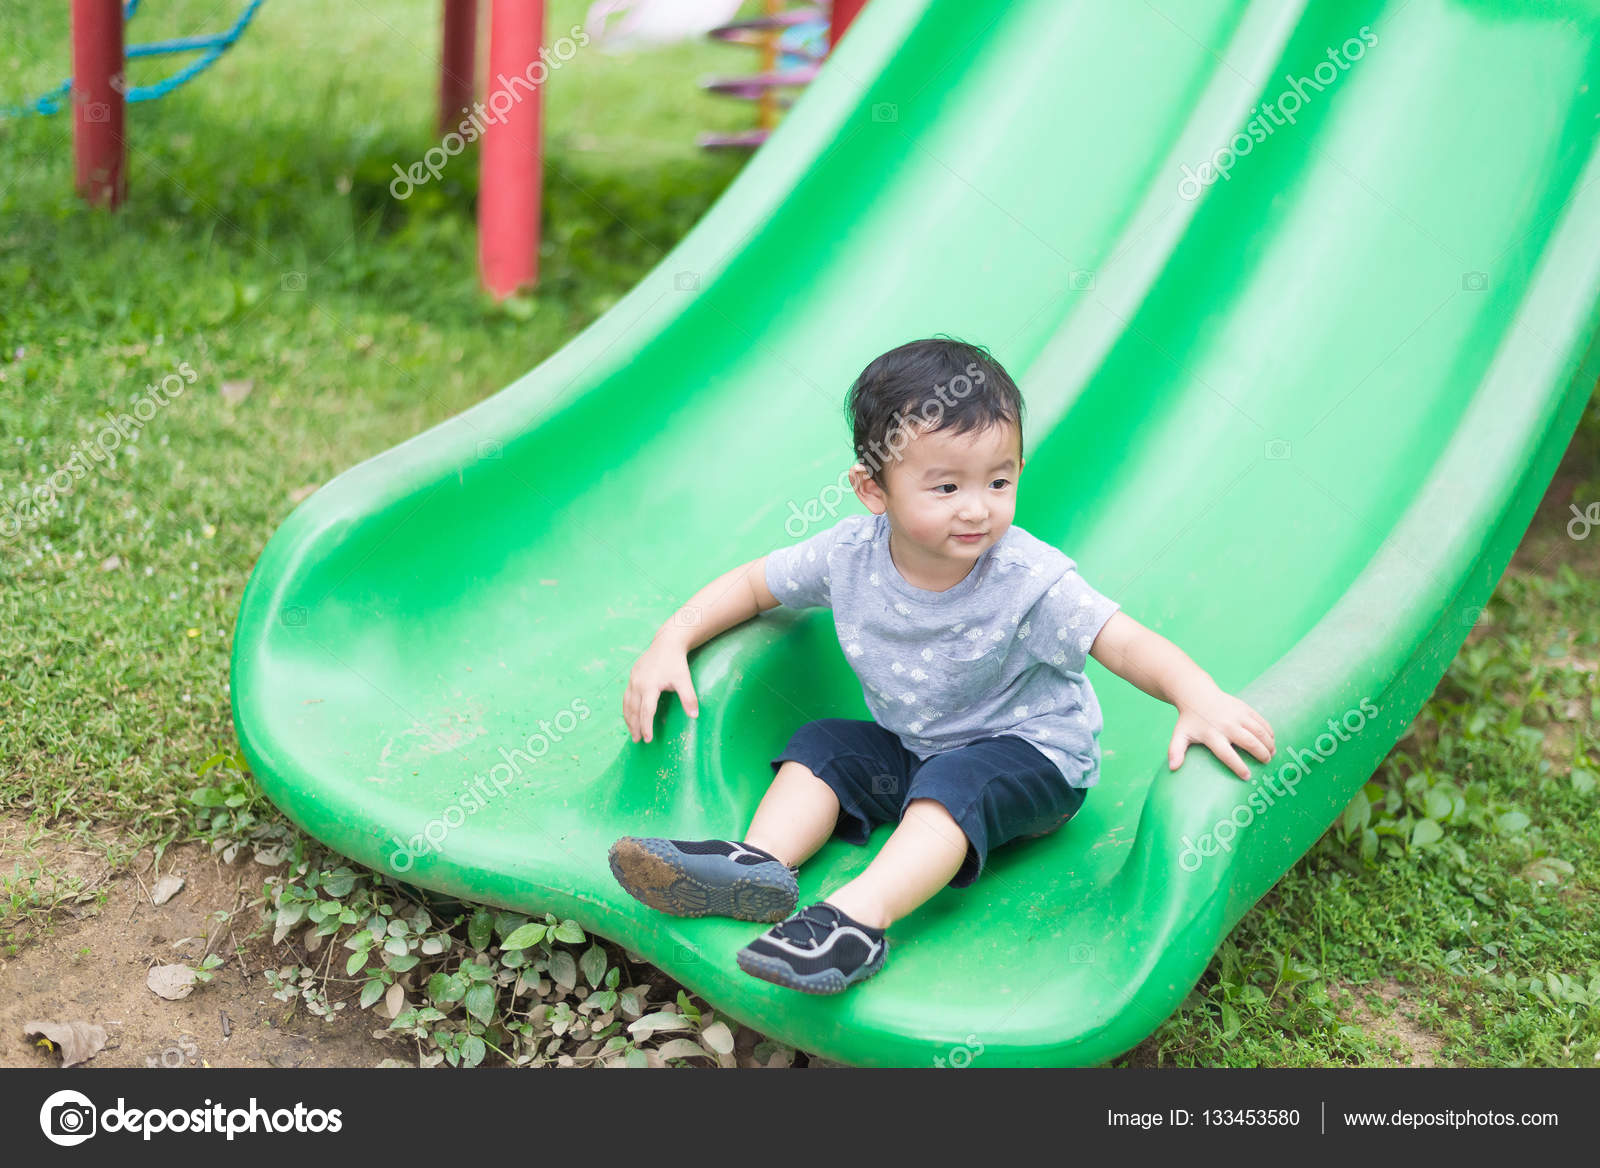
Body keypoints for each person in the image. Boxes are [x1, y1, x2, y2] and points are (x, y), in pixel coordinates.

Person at [609, 337, 1276, 994]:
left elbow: (1122, 641)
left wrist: (1198, 695)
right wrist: (673, 638)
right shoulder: (848, 555)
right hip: (917, 748)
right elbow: (754, 585)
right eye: (947, 485)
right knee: (823, 745)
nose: (978, 507)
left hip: (1033, 760)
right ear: (874, 490)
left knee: (958, 781)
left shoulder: (1027, 578)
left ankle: (854, 921)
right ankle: (756, 865)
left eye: (999, 481)